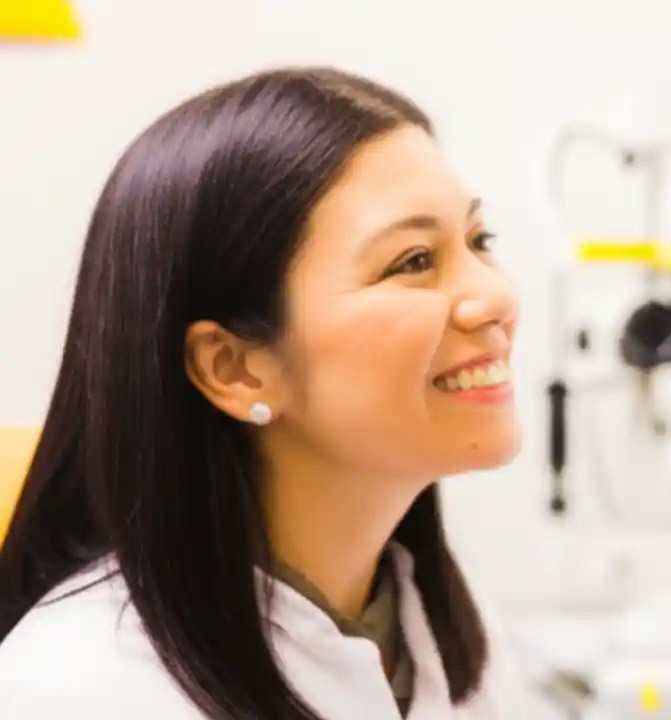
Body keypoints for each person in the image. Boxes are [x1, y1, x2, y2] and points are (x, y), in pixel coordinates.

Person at [0, 67, 521, 719]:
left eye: (480, 241)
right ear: (234, 368)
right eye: (414, 261)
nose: (497, 298)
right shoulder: (78, 691)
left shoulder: (445, 630)